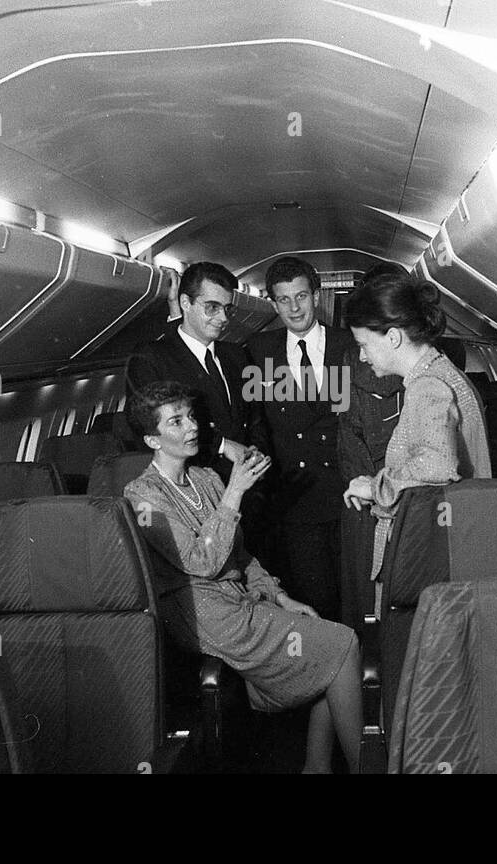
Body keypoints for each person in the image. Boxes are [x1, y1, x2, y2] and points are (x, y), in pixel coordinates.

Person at [123, 380, 363, 773]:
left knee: (326, 644)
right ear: (152, 439)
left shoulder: (207, 480)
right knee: (345, 644)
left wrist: (279, 596)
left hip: (237, 600)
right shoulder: (143, 496)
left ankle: (317, 768)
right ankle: (361, 767)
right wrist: (235, 493)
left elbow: (240, 555)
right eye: (176, 422)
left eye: (191, 417)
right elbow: (202, 562)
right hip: (200, 613)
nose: (192, 427)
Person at [341, 273, 492, 610]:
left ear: (393, 337)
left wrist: (375, 488)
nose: (362, 357)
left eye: (364, 344)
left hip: (436, 557)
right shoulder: (442, 373)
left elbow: (437, 466)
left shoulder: (427, 387)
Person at [245, 256, 354, 622]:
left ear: (317, 296)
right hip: (293, 496)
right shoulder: (259, 351)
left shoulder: (348, 345)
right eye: (284, 300)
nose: (294, 308)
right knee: (314, 598)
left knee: (352, 595)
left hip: (346, 491)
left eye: (302, 296)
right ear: (273, 303)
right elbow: (257, 421)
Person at [125, 261, 268, 481]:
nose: (223, 318)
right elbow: (150, 428)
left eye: (227, 308)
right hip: (192, 485)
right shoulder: (150, 359)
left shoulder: (237, 355)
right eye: (212, 307)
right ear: (185, 302)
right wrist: (221, 446)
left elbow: (256, 417)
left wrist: (255, 456)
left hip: (248, 488)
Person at [337, 262, 407, 629]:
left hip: (393, 492)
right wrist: (363, 486)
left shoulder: (429, 376)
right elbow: (346, 433)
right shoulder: (349, 358)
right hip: (368, 490)